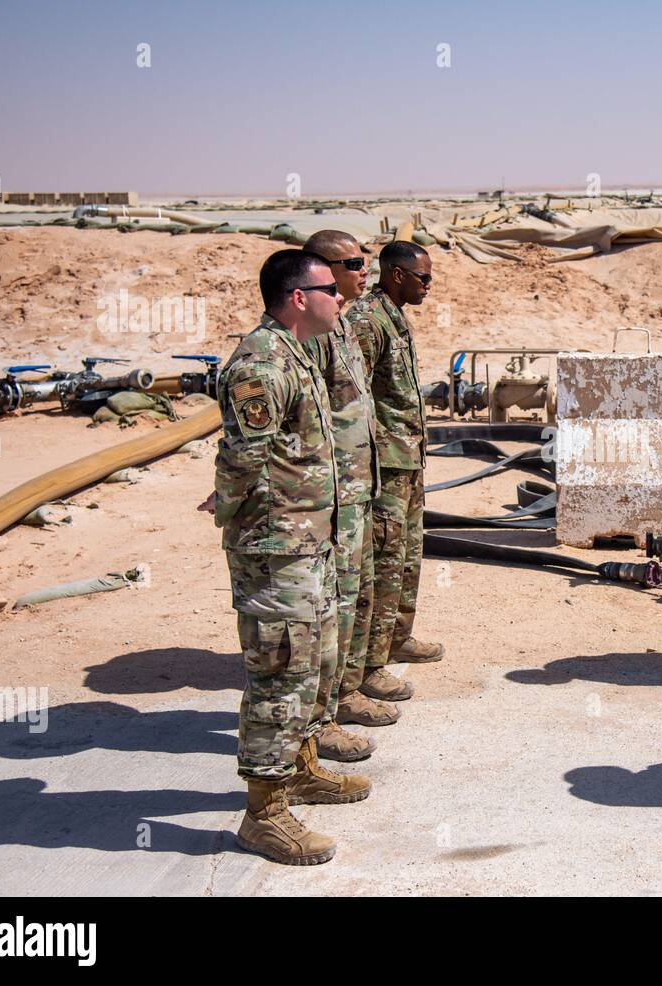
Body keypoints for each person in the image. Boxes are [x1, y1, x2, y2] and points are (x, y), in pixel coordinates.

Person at [212, 249, 369, 866]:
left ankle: (299, 769)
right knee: (281, 672)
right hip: (277, 552)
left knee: (316, 662)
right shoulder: (261, 364)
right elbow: (240, 461)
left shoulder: (296, 353)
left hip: (309, 541)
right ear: (299, 297)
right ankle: (264, 813)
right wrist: (240, 516)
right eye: (331, 288)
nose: (342, 297)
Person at [300, 230, 407, 745]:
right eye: (355, 263)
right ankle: (325, 713)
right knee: (334, 603)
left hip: (361, 481)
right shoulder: (311, 332)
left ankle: (348, 688)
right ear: (319, 269)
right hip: (331, 492)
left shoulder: (340, 324)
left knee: (359, 591)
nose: (367, 270)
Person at [347, 240, 444, 697]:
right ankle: (369, 663)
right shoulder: (366, 320)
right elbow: (351, 394)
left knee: (406, 556)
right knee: (384, 563)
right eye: (423, 277)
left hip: (406, 460)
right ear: (397, 275)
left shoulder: (393, 315)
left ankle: (397, 638)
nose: (429, 285)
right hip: (384, 465)